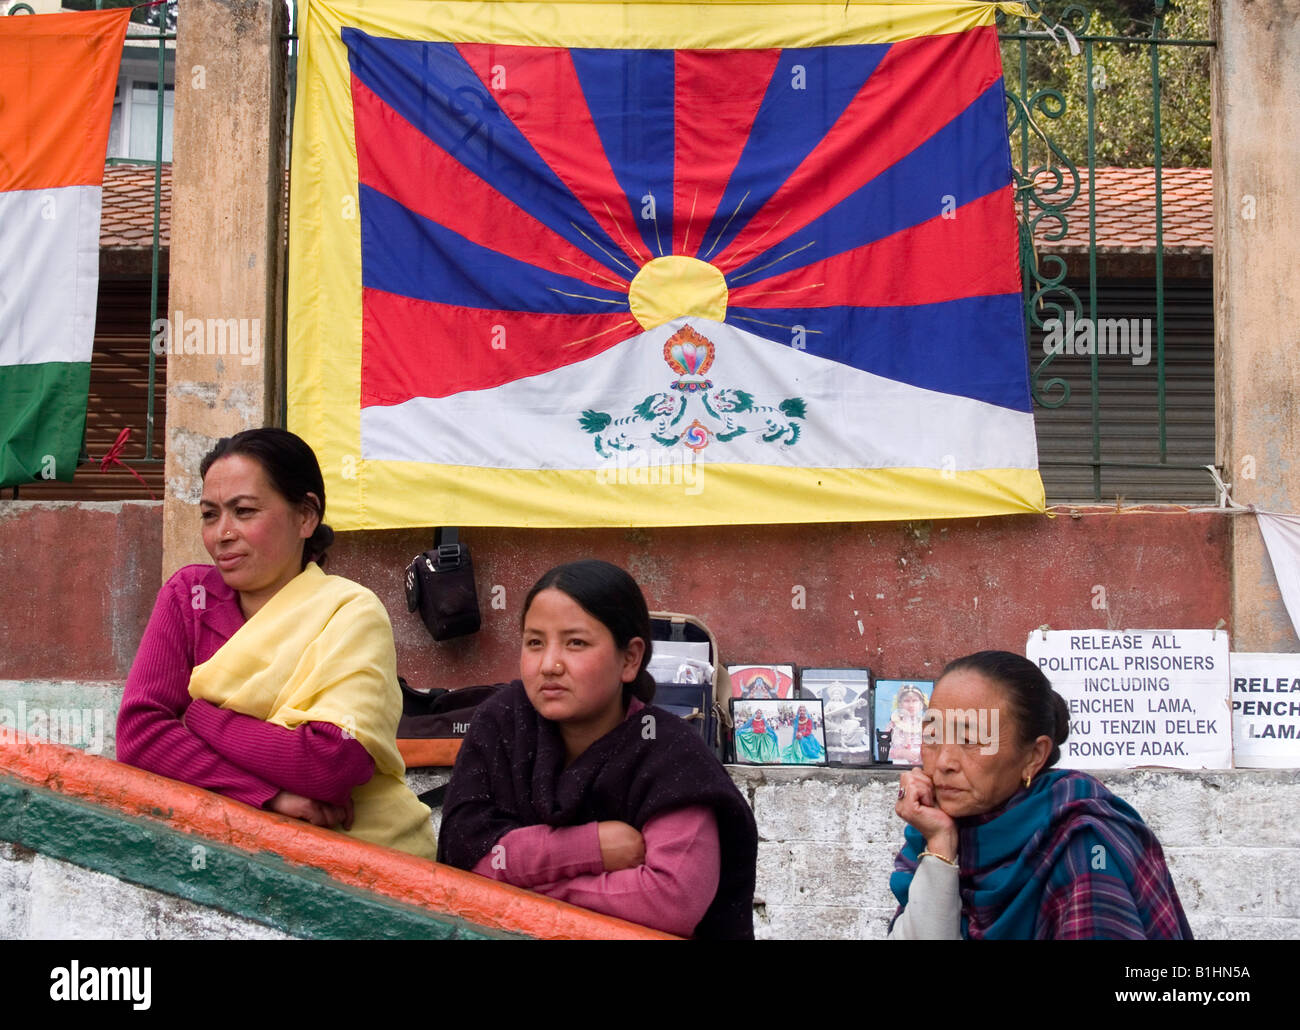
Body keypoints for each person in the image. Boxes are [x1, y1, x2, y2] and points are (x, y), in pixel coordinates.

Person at [116, 427, 436, 859]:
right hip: (232, 862)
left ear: (305, 516)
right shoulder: (189, 597)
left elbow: (330, 765)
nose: (222, 534)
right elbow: (141, 736)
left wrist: (198, 717)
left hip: (371, 860)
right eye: (210, 515)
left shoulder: (349, 612)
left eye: (243, 511)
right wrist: (268, 798)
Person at [437, 559, 758, 938]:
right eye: (534, 643)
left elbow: (669, 901)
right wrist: (590, 849)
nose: (550, 665)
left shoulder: (670, 753)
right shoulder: (502, 723)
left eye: (576, 643)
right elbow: (461, 859)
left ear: (630, 659)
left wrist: (518, 886)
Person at [889, 650, 1192, 940]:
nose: (943, 762)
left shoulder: (1079, 842)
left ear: (1034, 756)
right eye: (932, 736)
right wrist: (940, 845)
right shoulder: (941, 830)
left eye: (969, 740)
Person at [886, 684, 928, 765]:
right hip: (899, 766)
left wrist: (920, 756)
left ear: (921, 704)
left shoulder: (927, 726)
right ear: (900, 704)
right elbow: (885, 749)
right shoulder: (893, 725)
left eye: (915, 701)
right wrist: (902, 753)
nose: (911, 705)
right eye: (906, 701)